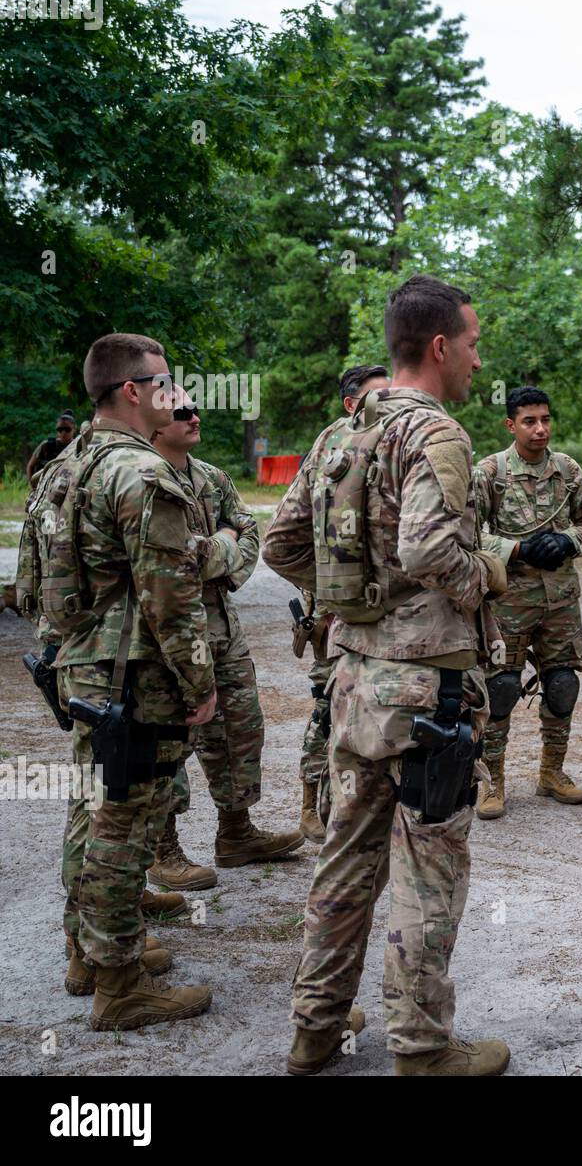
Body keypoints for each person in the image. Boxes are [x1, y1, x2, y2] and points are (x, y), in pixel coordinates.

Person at [264, 275, 511, 1077]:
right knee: (428, 868)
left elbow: (281, 548)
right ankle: (421, 1047)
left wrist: (353, 606)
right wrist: (493, 574)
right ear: (440, 347)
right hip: (427, 691)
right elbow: (430, 551)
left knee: (346, 855)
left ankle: (314, 1026)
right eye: (473, 344)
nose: (477, 361)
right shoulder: (437, 435)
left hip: (355, 682)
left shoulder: (343, 436)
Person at [46, 333, 217, 1029]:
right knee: (125, 821)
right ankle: (120, 987)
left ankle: (86, 952)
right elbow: (170, 596)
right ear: (132, 391)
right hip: (135, 676)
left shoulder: (68, 462)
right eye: (164, 383)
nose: (173, 396)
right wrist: (200, 682)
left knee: (92, 809)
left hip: (86, 666)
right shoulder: (140, 474)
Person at [146, 401, 303, 891]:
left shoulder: (212, 478)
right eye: (182, 412)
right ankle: (163, 847)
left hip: (221, 628)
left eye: (196, 410)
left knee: (239, 726)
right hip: (166, 632)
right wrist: (219, 545)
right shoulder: (142, 480)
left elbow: (249, 532)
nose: (194, 418)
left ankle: (236, 832)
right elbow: (177, 560)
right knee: (167, 740)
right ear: (152, 420)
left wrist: (217, 553)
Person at [473, 386, 582, 817]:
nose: (540, 428)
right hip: (508, 600)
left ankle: (552, 772)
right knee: (501, 688)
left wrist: (566, 542)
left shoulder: (568, 470)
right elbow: (468, 531)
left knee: (563, 685)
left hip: (560, 599)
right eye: (530, 421)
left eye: (545, 419)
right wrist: (518, 549)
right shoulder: (490, 472)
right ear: (511, 424)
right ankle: (492, 782)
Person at [290, 364, 391, 842]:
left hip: (377, 599)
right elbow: (287, 538)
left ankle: (359, 802)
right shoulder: (332, 446)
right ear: (351, 404)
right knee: (326, 700)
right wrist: (328, 587)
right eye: (377, 397)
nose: (387, 404)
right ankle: (310, 802)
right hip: (334, 604)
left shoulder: (392, 440)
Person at [26, 410, 77, 484]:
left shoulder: (78, 446)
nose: (63, 433)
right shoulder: (47, 445)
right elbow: (30, 466)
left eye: (67, 429)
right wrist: (32, 485)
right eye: (60, 429)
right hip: (47, 485)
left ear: (74, 429)